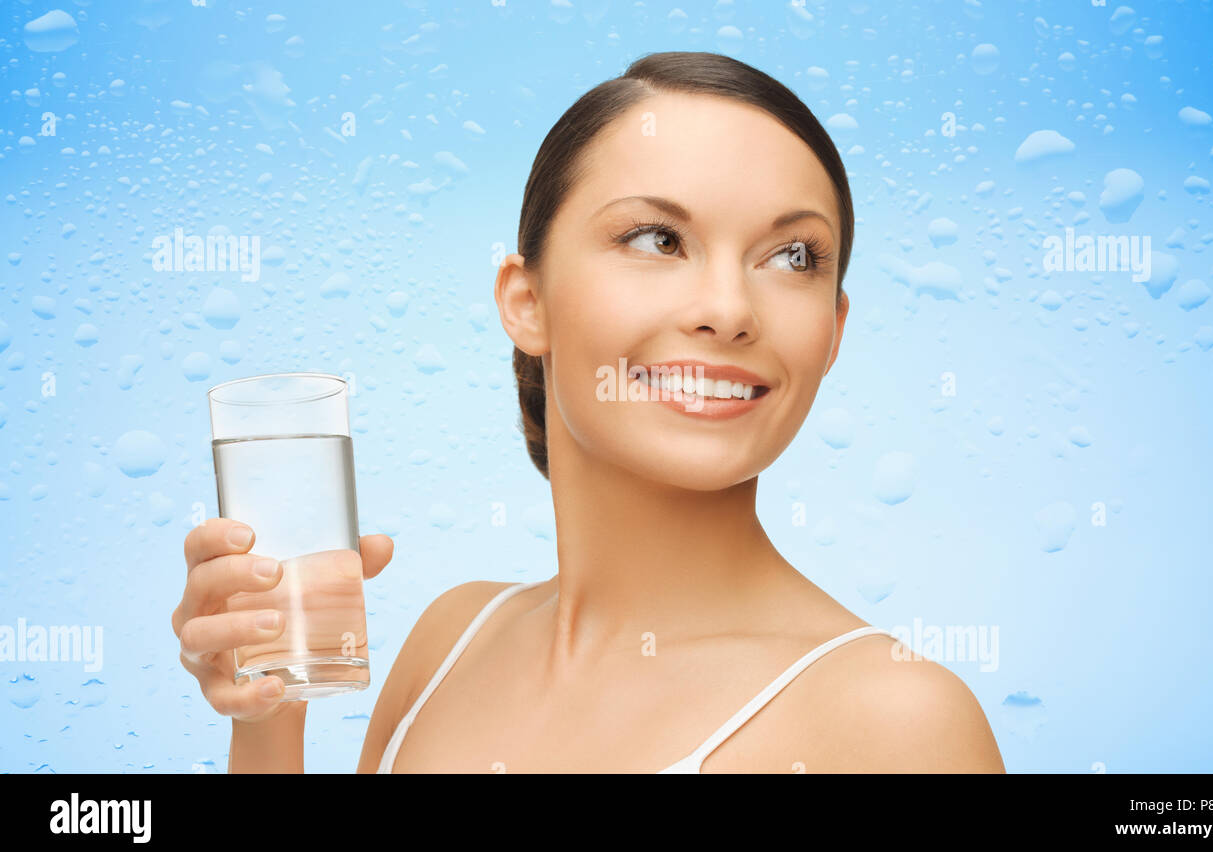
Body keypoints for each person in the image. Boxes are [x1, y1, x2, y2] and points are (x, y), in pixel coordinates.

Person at [174, 51, 1005, 773]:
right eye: (657, 239)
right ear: (525, 300)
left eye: (793, 256)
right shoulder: (452, 639)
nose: (730, 309)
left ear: (833, 331)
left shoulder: (894, 718)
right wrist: (270, 713)